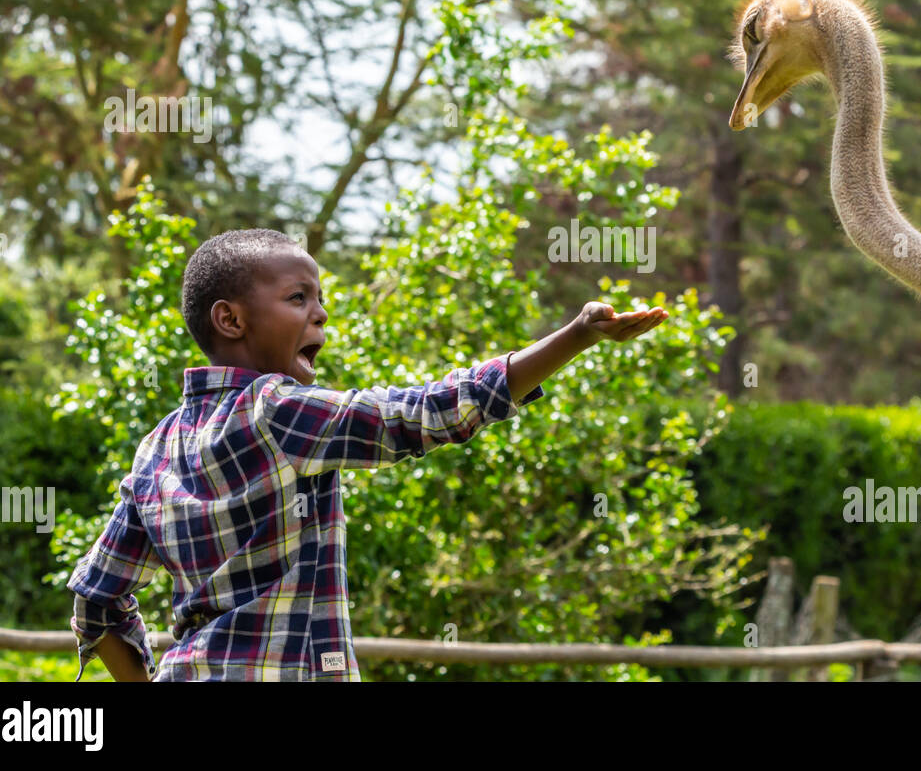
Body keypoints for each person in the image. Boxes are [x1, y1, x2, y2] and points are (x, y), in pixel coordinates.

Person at [66, 228, 667, 681]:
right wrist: (575, 336)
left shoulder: (156, 448)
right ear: (231, 319)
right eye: (299, 298)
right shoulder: (277, 410)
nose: (322, 313)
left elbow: (96, 597)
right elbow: (420, 414)